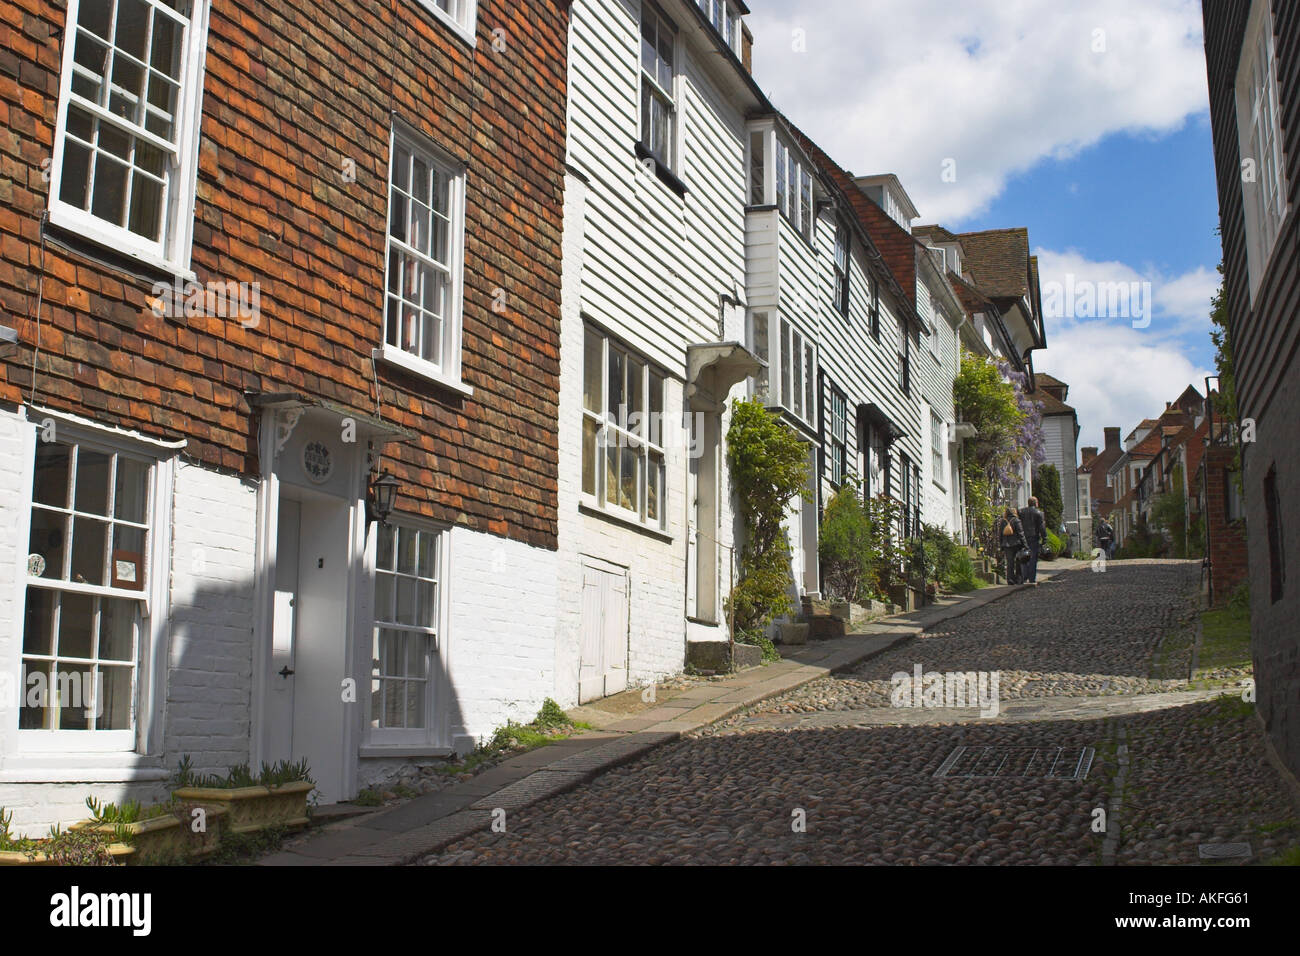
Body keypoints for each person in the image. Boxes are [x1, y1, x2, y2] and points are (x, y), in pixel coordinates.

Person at [1018, 496, 1048, 585]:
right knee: (1033, 558)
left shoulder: (1021, 512)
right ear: (1036, 503)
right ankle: (1031, 578)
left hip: (1023, 537)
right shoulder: (1039, 513)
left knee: (1023, 557)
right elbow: (1042, 527)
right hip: (1033, 537)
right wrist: (1045, 538)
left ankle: (1024, 576)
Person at [994, 506, 1027, 585]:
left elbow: (1000, 535)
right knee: (1018, 562)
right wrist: (1025, 544)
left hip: (1006, 545)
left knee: (1010, 563)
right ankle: (1019, 579)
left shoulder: (1003, 521)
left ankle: (1010, 579)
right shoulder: (1016, 520)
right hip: (1016, 544)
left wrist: (1001, 545)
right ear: (1014, 512)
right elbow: (1021, 533)